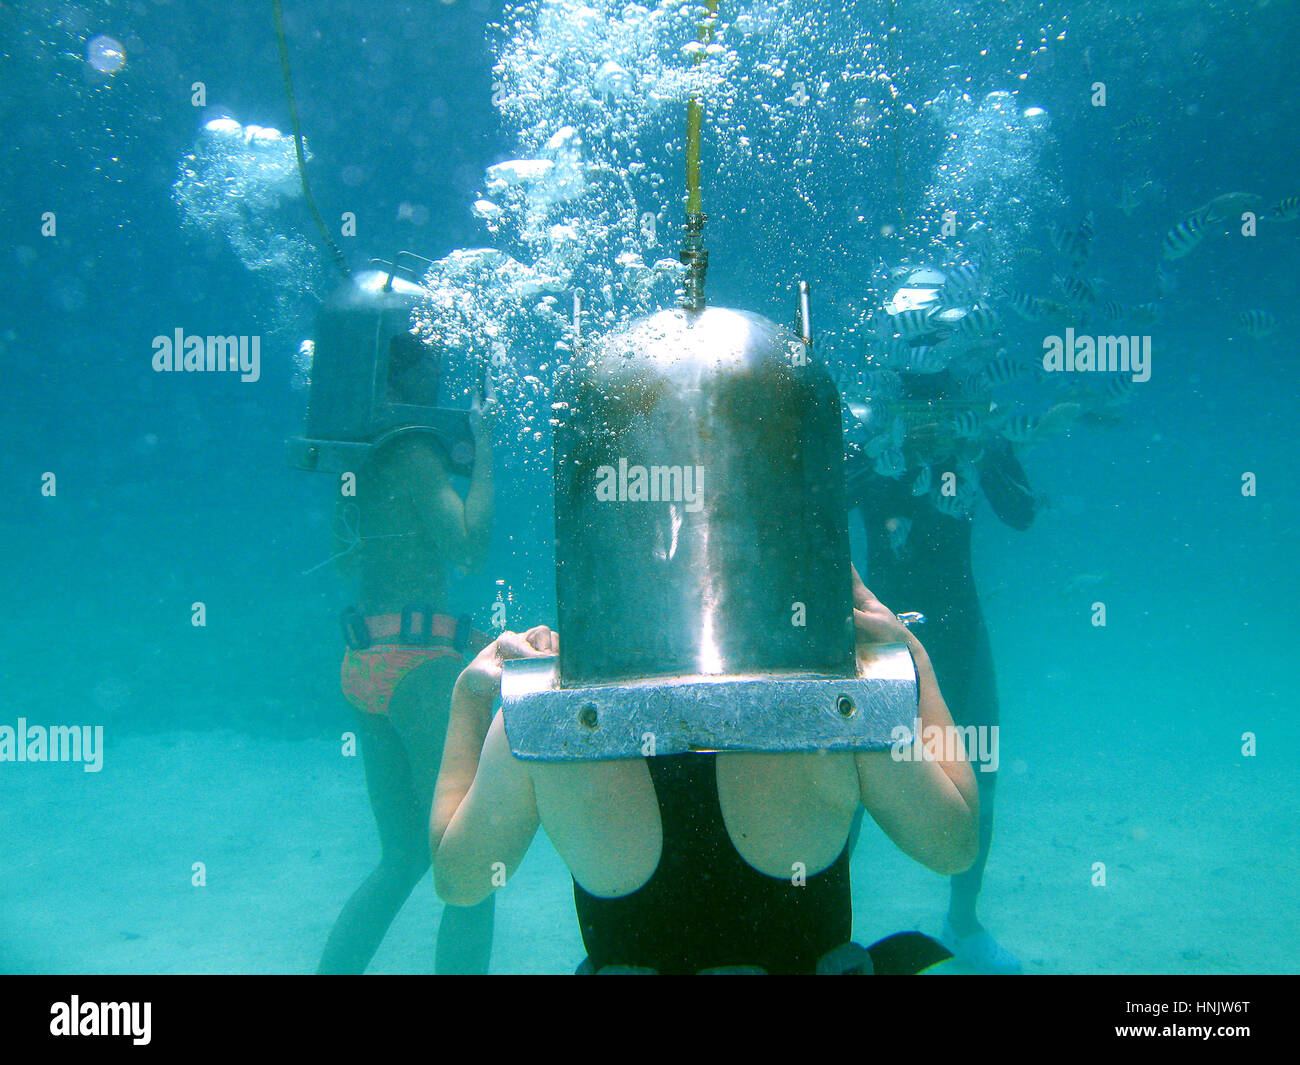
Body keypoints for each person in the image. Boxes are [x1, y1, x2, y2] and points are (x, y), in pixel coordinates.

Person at [429, 567, 979, 975]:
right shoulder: (842, 704)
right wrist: (911, 659)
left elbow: (460, 883)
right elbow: (952, 846)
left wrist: (471, 700)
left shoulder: (542, 719)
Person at [318, 333, 497, 974]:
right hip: (421, 670)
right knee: (471, 860)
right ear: (408, 371)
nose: (442, 368)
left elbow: (345, 562)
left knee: (401, 859)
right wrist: (487, 451)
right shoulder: (417, 451)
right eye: (432, 358)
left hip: (365, 662)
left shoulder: (361, 453)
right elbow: (468, 548)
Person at [847, 365, 1035, 974]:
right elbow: (814, 505)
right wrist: (869, 450)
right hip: (873, 636)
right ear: (895, 409)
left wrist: (986, 447)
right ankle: (826, 924)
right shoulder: (875, 447)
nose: (928, 425)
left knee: (979, 771)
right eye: (914, 412)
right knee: (845, 772)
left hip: (959, 639)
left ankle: (964, 922)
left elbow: (1022, 514)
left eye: (943, 409)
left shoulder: (975, 442)